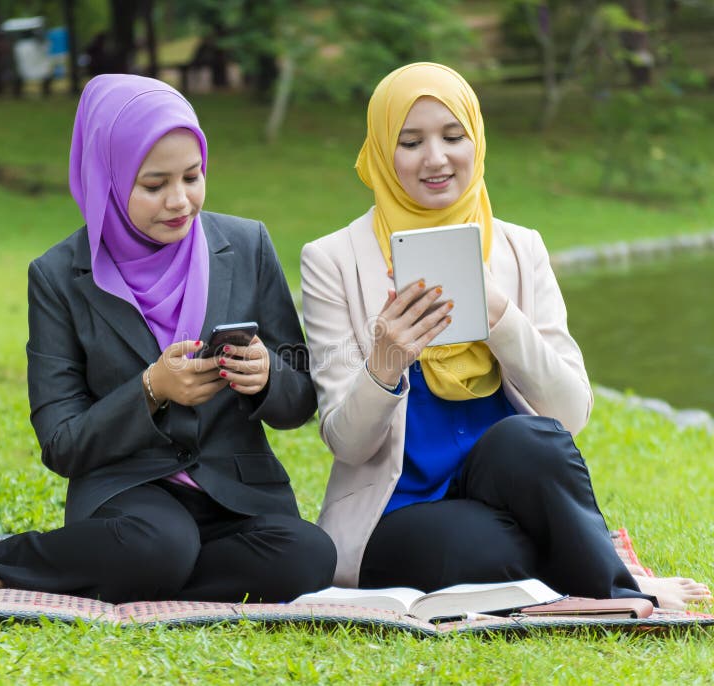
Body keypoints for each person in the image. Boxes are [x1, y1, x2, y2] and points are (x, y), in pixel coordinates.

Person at [300, 62, 710, 609]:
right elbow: (346, 442)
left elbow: (570, 415)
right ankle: (593, 568)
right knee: (471, 551)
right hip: (398, 508)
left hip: (503, 485)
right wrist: (386, 361)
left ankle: (605, 581)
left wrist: (500, 318)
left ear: (478, 140)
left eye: (453, 137)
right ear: (380, 150)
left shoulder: (520, 249)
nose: (436, 159)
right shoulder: (333, 260)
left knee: (531, 440)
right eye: (411, 141)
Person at [0, 74, 335, 603]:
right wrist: (152, 389)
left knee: (310, 555)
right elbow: (61, 442)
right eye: (155, 185)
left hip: (237, 498)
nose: (180, 201)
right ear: (106, 180)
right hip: (128, 495)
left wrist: (269, 375)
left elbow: (300, 399)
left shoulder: (247, 246)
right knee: (159, 543)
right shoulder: (58, 277)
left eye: (193, 176)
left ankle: (91, 568)